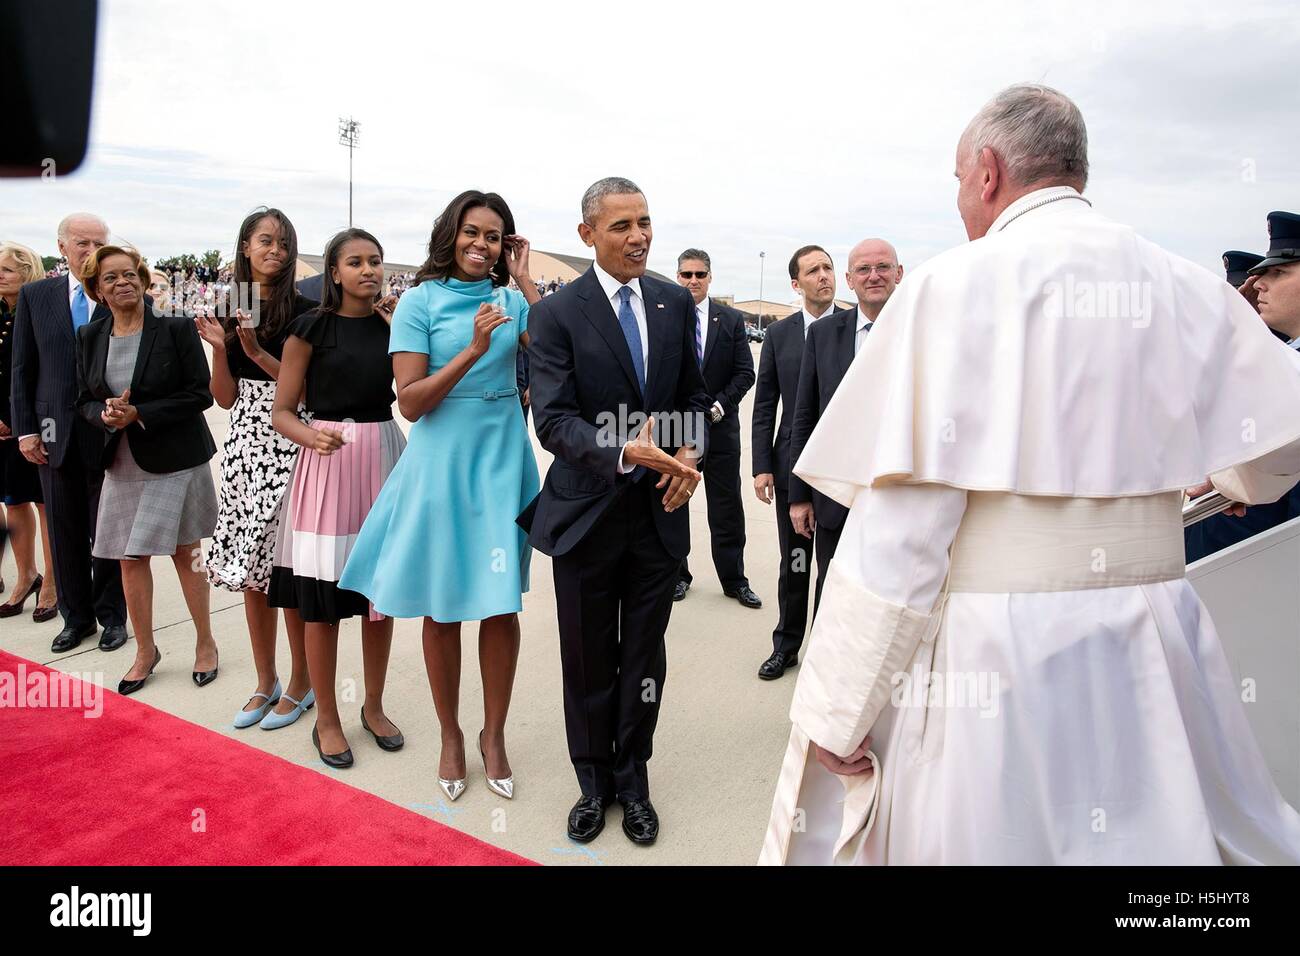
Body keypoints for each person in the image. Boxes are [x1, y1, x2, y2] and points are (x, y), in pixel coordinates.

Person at [761, 84, 1300, 865]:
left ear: (987, 171)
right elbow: (1275, 451)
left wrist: (837, 713)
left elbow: (902, 542)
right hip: (1159, 636)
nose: (959, 202)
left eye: (956, 182)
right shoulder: (1185, 284)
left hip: (1001, 653)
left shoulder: (950, 288)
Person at [520, 177, 711, 845]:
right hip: (586, 516)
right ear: (587, 236)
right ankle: (592, 781)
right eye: (622, 225)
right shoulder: (553, 315)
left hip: (660, 513)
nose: (639, 236)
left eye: (646, 222)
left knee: (644, 661)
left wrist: (690, 459)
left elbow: (694, 397)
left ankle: (634, 781)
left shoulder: (670, 301)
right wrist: (626, 451)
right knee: (588, 657)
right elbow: (555, 423)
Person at [340, 191, 540, 801]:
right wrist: (475, 352)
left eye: (495, 235)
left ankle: (494, 734)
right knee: (444, 603)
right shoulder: (419, 302)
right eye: (471, 232)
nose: (482, 244)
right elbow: (411, 401)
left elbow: (562, 359)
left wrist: (528, 285)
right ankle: (452, 734)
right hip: (442, 459)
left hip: (503, 456)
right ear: (451, 234)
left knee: (502, 604)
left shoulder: (512, 301)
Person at [269, 228, 404, 769]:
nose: (368, 270)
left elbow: (414, 390)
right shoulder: (309, 328)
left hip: (385, 457)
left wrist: (402, 332)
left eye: (375, 260)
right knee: (320, 603)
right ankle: (326, 716)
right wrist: (310, 436)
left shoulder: (394, 326)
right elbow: (282, 411)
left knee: (379, 598)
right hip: (326, 465)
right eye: (355, 261)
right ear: (334, 272)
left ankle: (373, 705)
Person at [75, 246, 220, 696]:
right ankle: (145, 651)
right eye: (112, 277)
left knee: (184, 551)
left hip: (174, 458)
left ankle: (205, 642)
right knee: (128, 557)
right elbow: (84, 400)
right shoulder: (89, 336)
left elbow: (200, 395)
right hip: (121, 462)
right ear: (97, 290)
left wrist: (140, 412)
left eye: (130, 274)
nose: (123, 282)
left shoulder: (175, 329)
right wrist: (104, 414)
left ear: (142, 280)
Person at [195, 208, 319, 731]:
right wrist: (223, 350)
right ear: (245, 246)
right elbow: (222, 398)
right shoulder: (229, 305)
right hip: (246, 437)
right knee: (252, 570)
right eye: (265, 240)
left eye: (284, 242)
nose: (276, 250)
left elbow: (310, 390)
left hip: (291, 434)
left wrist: (254, 351)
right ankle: (264, 680)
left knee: (288, 569)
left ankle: (301, 683)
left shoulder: (308, 307)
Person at [10, 214, 128, 653]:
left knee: (110, 535)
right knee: (64, 531)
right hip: (52, 433)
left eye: (99, 241)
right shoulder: (36, 296)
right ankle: (75, 618)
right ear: (61, 247)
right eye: (82, 242)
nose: (91, 250)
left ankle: (114, 617)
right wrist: (26, 431)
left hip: (110, 437)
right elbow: (24, 369)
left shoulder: (122, 293)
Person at [787, 239, 902, 600]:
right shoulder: (822, 335)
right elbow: (804, 417)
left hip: (899, 496)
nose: (874, 276)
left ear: (899, 274)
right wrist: (799, 496)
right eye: (864, 270)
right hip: (835, 497)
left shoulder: (922, 332)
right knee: (831, 588)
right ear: (850, 280)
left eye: (883, 267)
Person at [1186, 212, 1300, 563]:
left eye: (1278, 272)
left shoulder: (1282, 367)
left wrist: (1231, 481)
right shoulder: (1282, 360)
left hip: (1267, 560)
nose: (1259, 285)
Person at [751, 245, 838, 681]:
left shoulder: (854, 328)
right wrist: (762, 465)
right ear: (796, 283)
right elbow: (765, 402)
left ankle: (827, 650)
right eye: (813, 270)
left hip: (841, 470)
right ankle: (786, 645)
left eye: (828, 267)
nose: (824, 276)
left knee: (835, 567)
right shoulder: (781, 335)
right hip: (791, 465)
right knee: (796, 561)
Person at [673, 249, 759, 608]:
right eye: (686, 274)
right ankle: (677, 576)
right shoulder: (665, 316)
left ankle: (734, 579)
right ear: (678, 276)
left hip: (721, 428)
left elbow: (745, 371)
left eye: (700, 274)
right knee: (673, 504)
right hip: (677, 429)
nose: (693, 280)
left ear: (710, 277)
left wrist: (720, 405)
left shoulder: (731, 320)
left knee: (726, 508)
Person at [0, 242, 59, 622]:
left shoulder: (38, 310)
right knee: (13, 501)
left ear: (27, 272)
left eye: (6, 270)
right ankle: (26, 576)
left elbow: (38, 371)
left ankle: (53, 582)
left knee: (44, 503)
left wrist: (16, 421)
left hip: (29, 424)